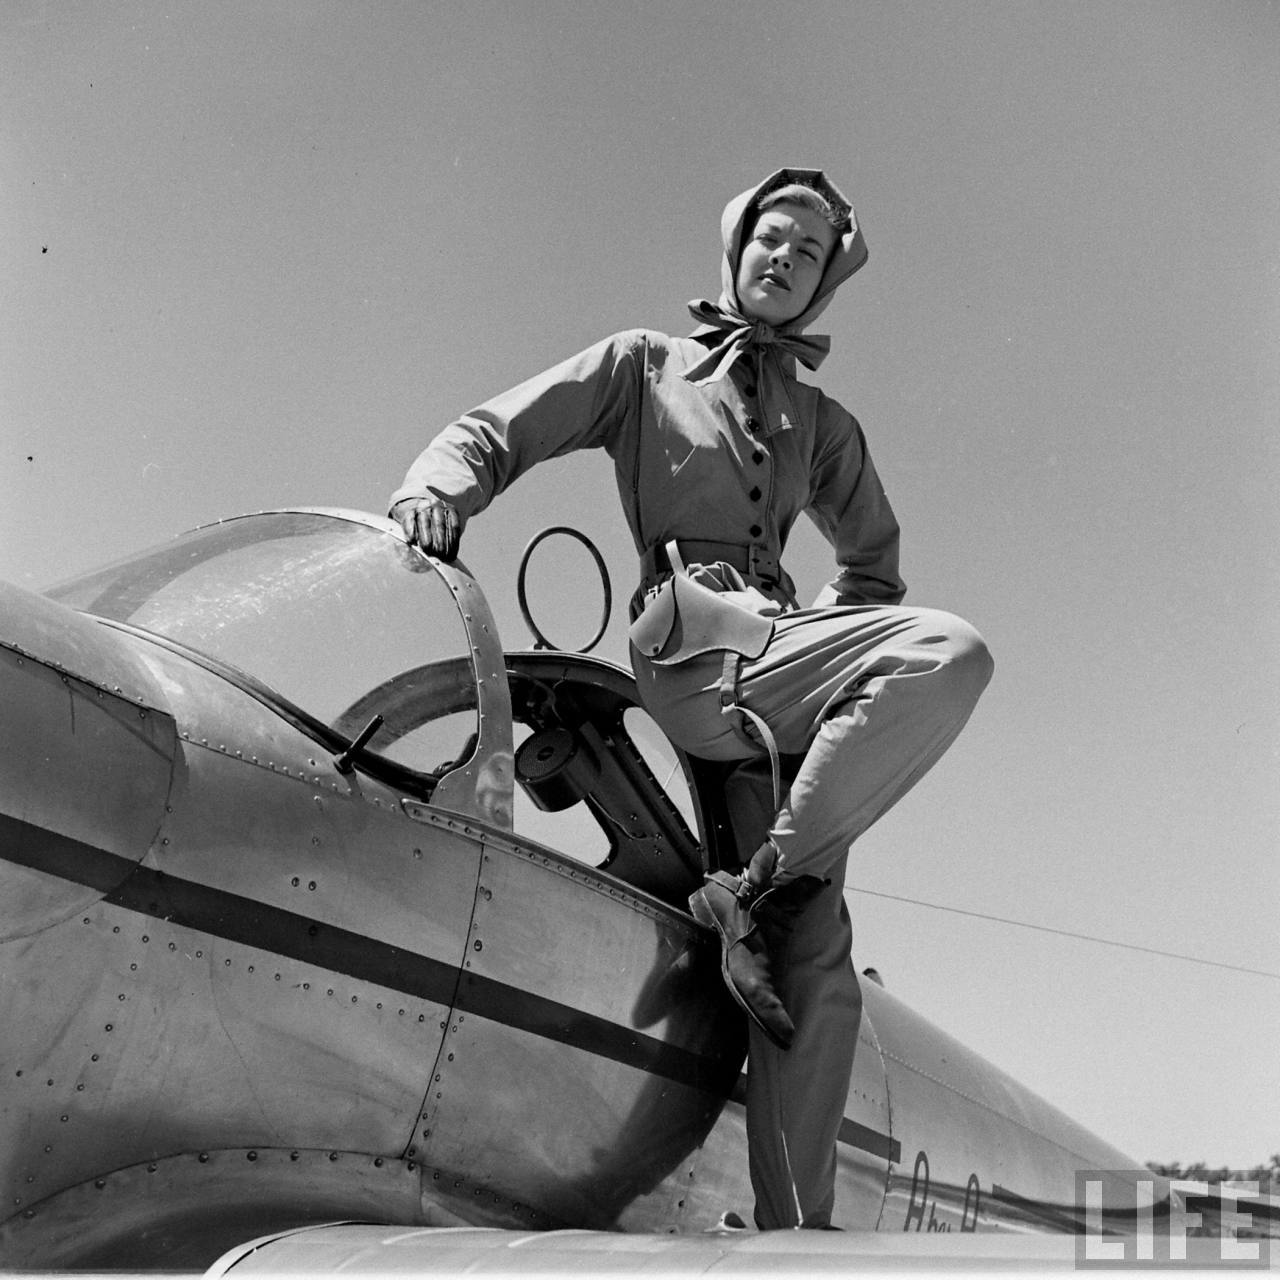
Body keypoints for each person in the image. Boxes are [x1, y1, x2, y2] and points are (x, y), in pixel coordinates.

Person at [389, 167, 993, 1230]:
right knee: (950, 651)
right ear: (736, 243)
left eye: (807, 252)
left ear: (822, 283)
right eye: (770, 235)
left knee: (813, 957)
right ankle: (755, 887)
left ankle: (789, 1236)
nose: (782, 257)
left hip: (778, 668)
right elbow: (501, 427)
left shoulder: (825, 425)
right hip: (690, 643)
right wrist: (434, 491)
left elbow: (874, 569)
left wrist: (811, 628)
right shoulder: (641, 365)